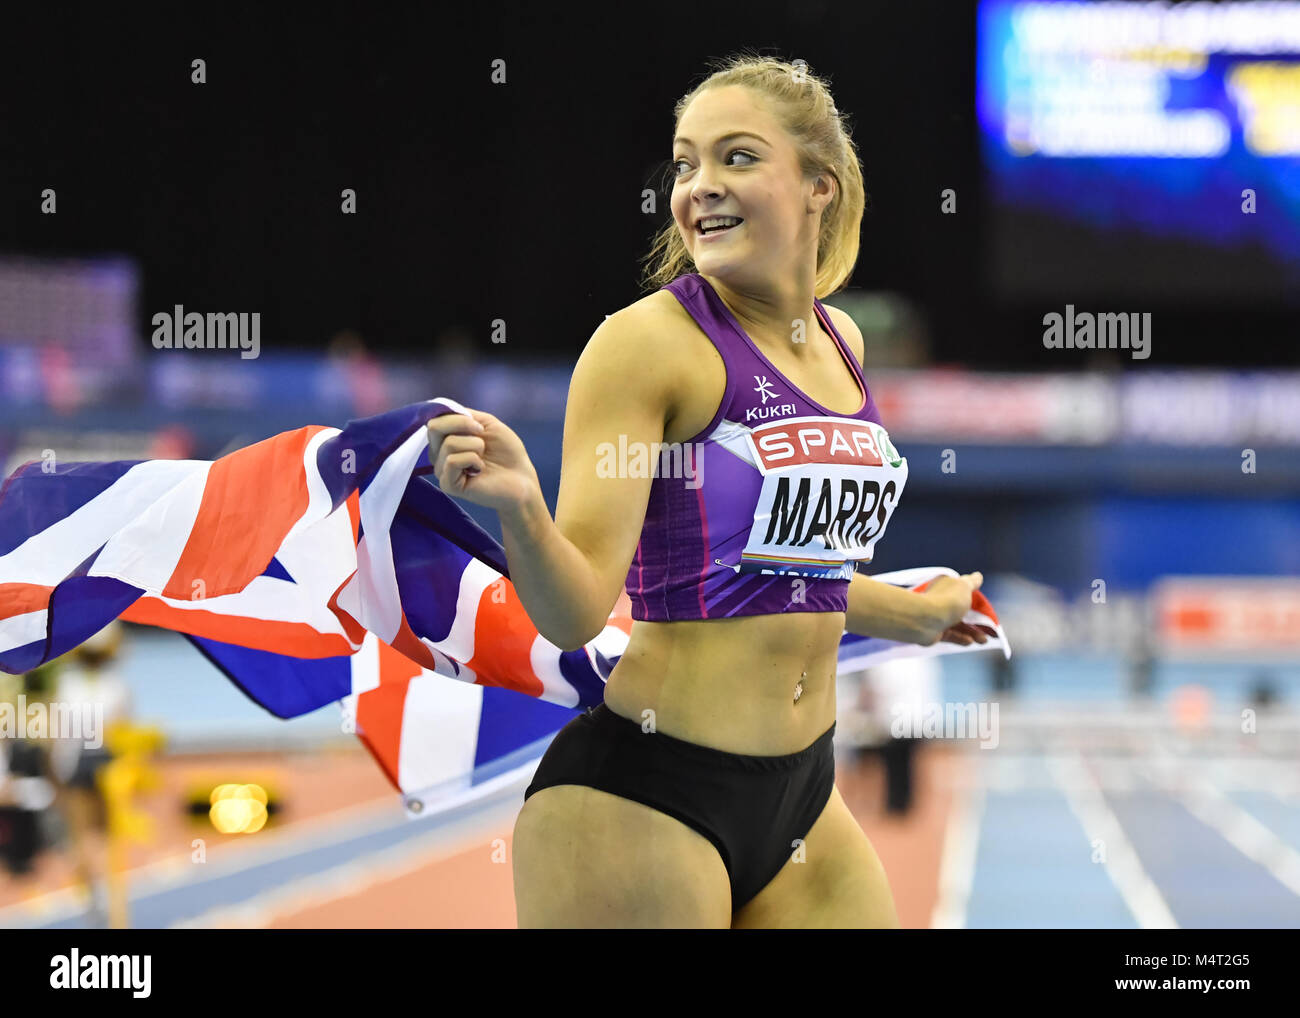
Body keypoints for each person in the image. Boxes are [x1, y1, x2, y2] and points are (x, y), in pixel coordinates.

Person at [425, 53, 986, 928]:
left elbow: (782, 573)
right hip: (646, 797)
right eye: (686, 164)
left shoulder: (843, 345)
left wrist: (910, 613)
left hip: (804, 793)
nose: (699, 187)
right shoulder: (649, 344)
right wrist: (524, 511)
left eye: (737, 157)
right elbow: (575, 613)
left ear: (819, 188)